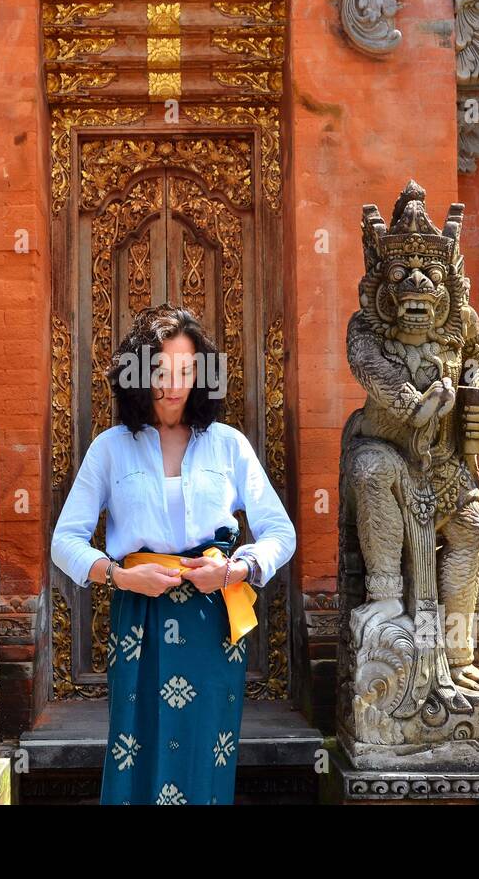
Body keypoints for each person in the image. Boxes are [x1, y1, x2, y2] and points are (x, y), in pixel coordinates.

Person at [50, 304, 296, 805]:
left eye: (185, 371)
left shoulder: (227, 446)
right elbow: (65, 542)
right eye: (160, 370)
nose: (173, 385)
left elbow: (280, 532)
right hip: (139, 615)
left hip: (213, 620)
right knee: (135, 747)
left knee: (207, 752)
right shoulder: (110, 449)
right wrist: (119, 577)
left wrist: (235, 570)